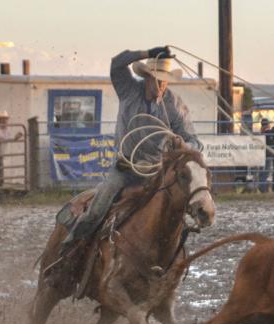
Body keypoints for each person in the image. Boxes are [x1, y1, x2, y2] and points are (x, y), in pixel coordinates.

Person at [61, 46, 200, 252]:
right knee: (101, 202)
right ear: (147, 78)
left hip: (156, 172)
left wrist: (182, 145)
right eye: (157, 79)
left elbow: (195, 142)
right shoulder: (128, 89)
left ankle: (173, 254)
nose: (161, 85)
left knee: (178, 206)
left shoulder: (174, 105)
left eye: (165, 80)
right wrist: (147, 53)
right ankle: (73, 244)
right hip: (125, 168)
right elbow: (117, 62)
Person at [0, 110, 23, 188]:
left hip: (0, 153)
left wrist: (15, 138)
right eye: (3, 119)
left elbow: (8, 138)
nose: (5, 121)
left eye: (6, 119)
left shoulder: (5, 130)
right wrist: (14, 138)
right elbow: (3, 139)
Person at [259, 117, 274, 192]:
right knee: (265, 171)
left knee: (262, 172)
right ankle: (263, 188)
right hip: (267, 154)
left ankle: (262, 187)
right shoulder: (269, 132)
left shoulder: (261, 133)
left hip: (262, 154)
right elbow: (271, 143)